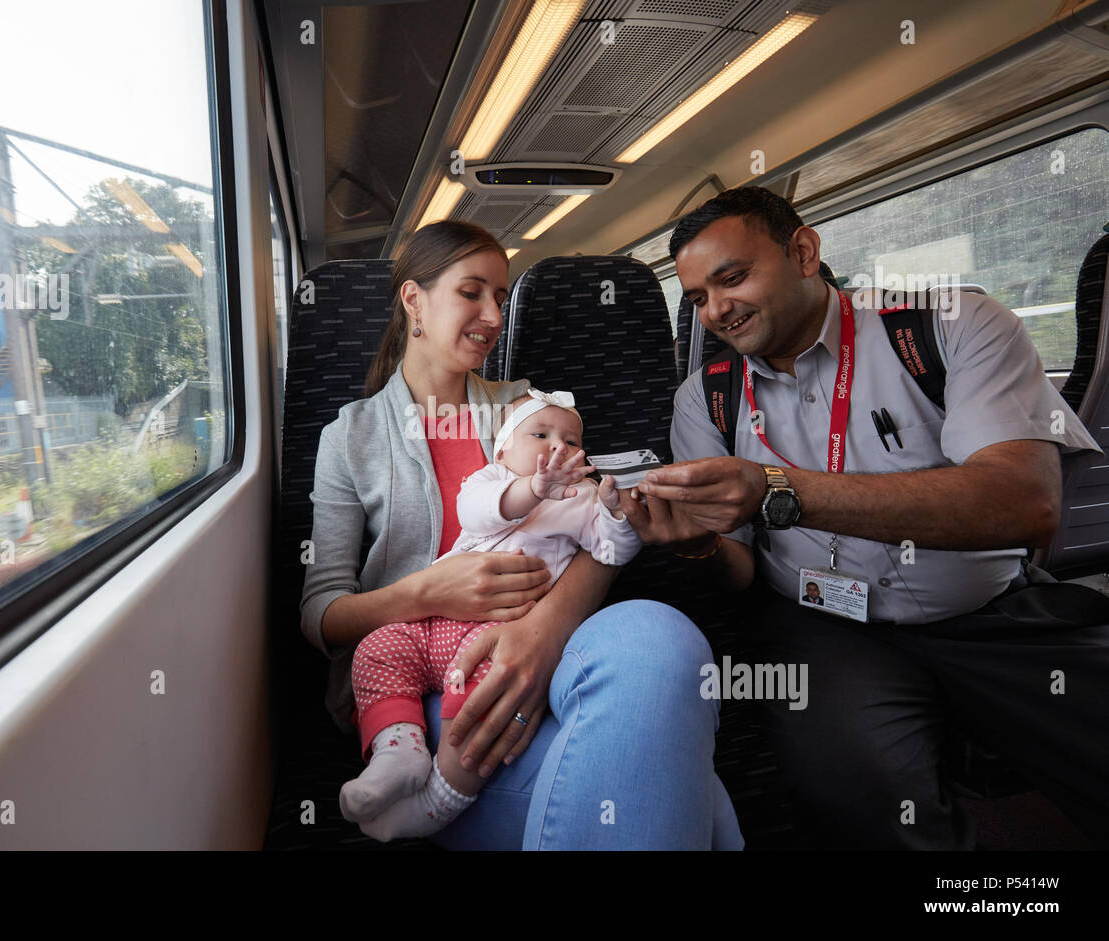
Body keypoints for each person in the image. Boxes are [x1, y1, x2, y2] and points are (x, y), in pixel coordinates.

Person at [620, 185, 1109, 849]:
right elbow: (735, 570)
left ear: (803, 250)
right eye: (699, 296)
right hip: (827, 628)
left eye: (732, 278)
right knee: (871, 801)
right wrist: (700, 544)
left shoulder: (946, 326)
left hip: (991, 611)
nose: (717, 311)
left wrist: (777, 488)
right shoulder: (705, 398)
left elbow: (1024, 502)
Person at [301, 219, 743, 850]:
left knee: (662, 637)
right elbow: (320, 616)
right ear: (413, 300)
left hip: (556, 640)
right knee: (691, 795)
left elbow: (598, 529)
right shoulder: (350, 437)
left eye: (501, 297)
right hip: (430, 671)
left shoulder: (530, 412)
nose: (493, 315)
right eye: (471, 292)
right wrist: (428, 592)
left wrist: (543, 632)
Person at [340, 389, 642, 840]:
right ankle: (396, 752)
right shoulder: (489, 479)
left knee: (486, 699)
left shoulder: (582, 497)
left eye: (573, 442)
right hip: (432, 625)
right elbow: (478, 513)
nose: (559, 447)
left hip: (501, 635)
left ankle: (440, 799)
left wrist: (618, 516)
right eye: (541, 435)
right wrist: (532, 490)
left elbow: (610, 552)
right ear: (502, 448)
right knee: (377, 649)